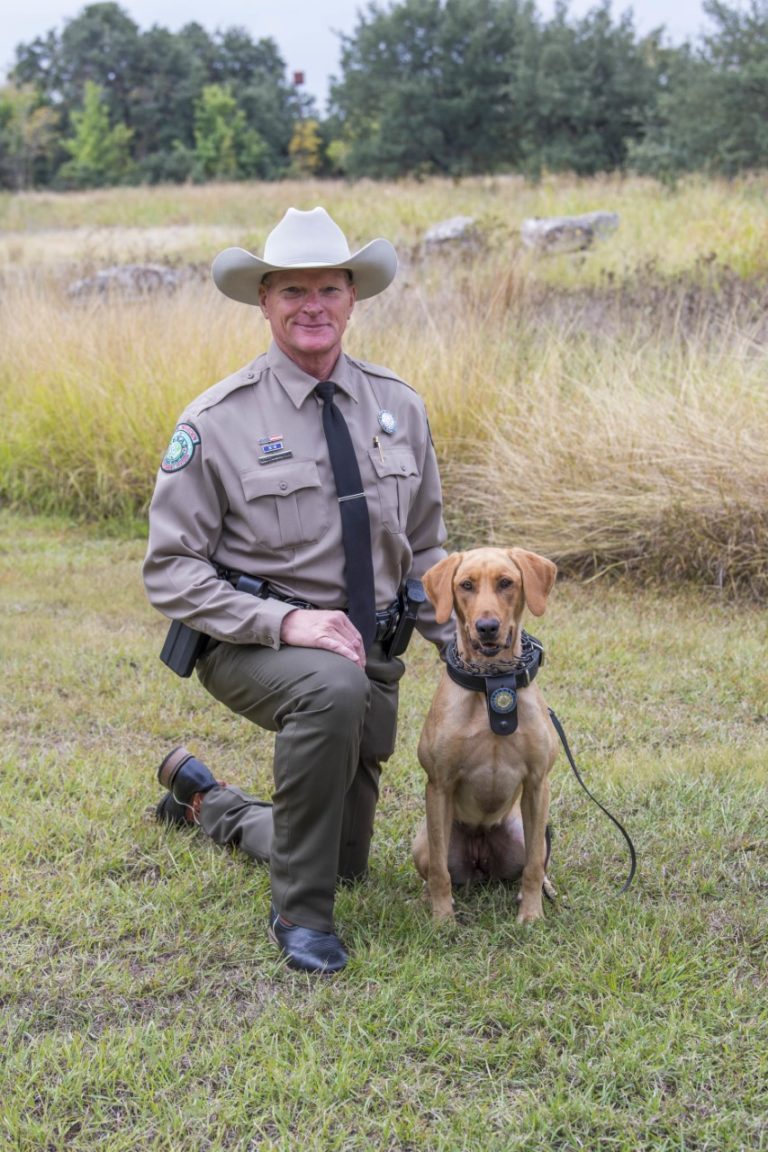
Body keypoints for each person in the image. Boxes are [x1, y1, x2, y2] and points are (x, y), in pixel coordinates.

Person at [143, 206, 453, 974]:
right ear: (264, 301)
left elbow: (427, 551)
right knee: (330, 689)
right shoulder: (217, 420)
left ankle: (203, 799)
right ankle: (301, 918)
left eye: (328, 289)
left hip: (369, 654)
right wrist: (285, 622)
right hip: (252, 645)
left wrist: (472, 646)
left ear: (352, 298)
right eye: (291, 291)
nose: (311, 306)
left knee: (339, 855)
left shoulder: (399, 408)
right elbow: (170, 569)